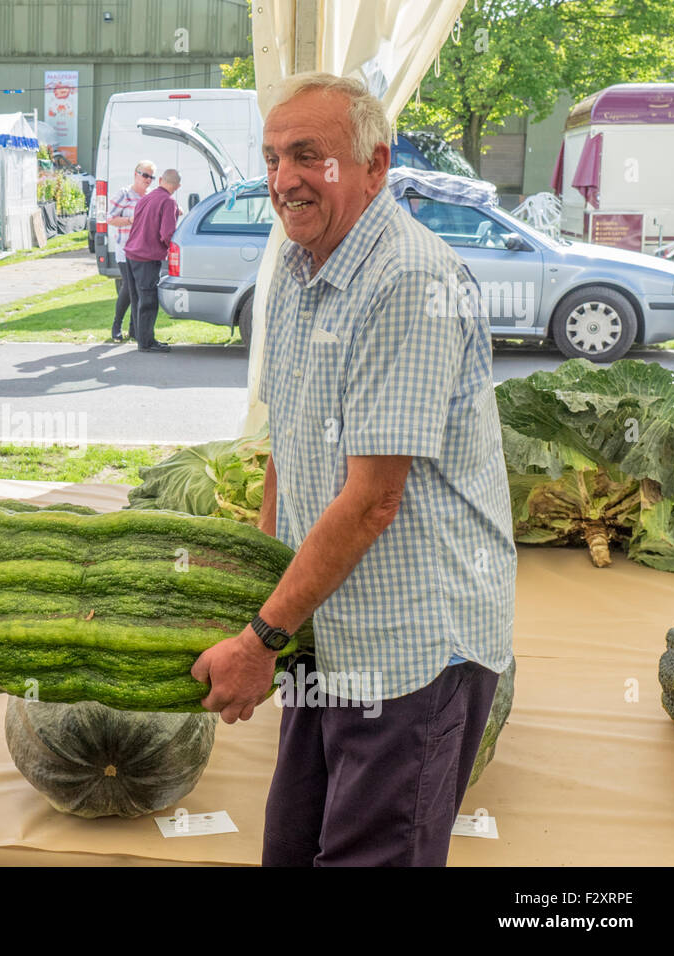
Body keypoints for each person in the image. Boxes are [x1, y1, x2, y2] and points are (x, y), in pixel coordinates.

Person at [190, 72, 515, 866]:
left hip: (408, 649)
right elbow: (287, 447)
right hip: (323, 626)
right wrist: (256, 596)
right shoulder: (300, 268)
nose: (283, 180)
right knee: (294, 848)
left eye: (309, 156)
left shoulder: (407, 280)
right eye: (271, 158)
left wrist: (261, 639)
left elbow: (373, 501)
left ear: (375, 162)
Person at [123, 168, 181, 352]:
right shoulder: (169, 201)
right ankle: (146, 343)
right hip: (147, 256)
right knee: (148, 300)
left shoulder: (147, 197)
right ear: (178, 186)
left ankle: (137, 333)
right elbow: (167, 234)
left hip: (131, 253)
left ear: (161, 180)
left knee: (136, 297)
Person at [105, 161, 155, 343]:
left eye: (151, 177)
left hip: (143, 250)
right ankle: (117, 325)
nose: (148, 180)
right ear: (136, 174)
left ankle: (134, 329)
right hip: (125, 248)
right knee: (129, 286)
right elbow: (109, 218)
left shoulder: (150, 196)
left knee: (138, 290)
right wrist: (130, 220)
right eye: (145, 175)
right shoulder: (124, 194)